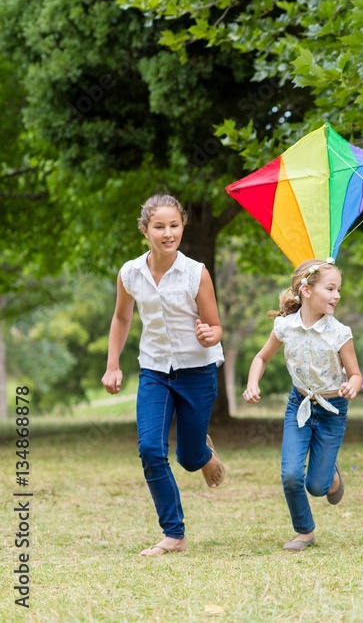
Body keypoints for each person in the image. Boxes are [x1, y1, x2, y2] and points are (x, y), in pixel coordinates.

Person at [101, 194, 226, 557]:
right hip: (155, 370)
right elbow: (122, 318)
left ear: (182, 226)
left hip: (197, 371)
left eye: (174, 226)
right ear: (145, 230)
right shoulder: (130, 273)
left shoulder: (195, 272)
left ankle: (202, 451)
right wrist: (113, 365)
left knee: (188, 457)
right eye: (159, 227)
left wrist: (209, 334)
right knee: (151, 449)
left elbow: (216, 326)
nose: (168, 233)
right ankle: (174, 534)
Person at [243, 259, 362, 552]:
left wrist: (352, 386)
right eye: (330, 288)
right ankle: (304, 531)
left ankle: (329, 474)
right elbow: (261, 357)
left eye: (338, 290)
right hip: (299, 405)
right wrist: (252, 382)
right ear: (306, 290)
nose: (337, 295)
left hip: (332, 410)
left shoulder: (339, 333)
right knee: (291, 475)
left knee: (317, 487)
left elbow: (356, 374)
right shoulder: (285, 327)